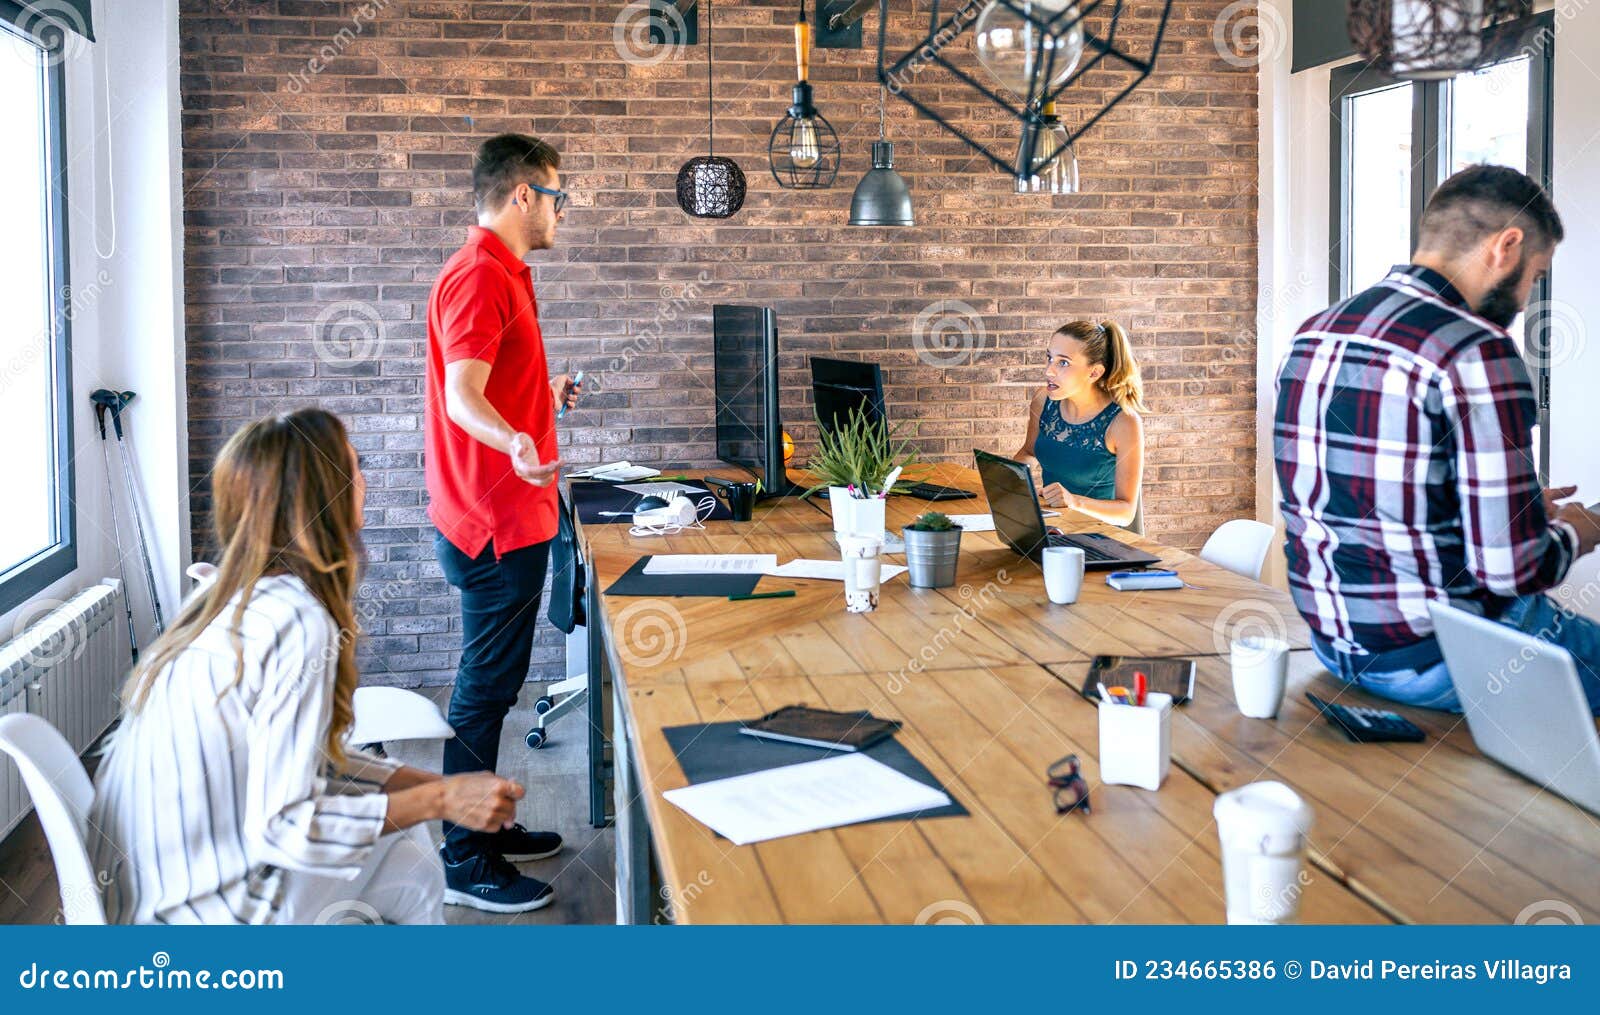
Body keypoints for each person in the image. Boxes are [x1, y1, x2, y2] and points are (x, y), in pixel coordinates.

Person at [88, 409, 526, 924]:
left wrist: (429, 786)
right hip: (198, 912)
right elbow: (283, 826)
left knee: (406, 849)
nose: (364, 480)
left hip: (142, 894)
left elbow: (307, 762)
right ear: (324, 497)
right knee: (408, 857)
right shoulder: (297, 621)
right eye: (355, 467)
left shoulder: (221, 595)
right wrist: (441, 798)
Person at [1275, 164, 1600, 713]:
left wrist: (1510, 513)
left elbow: (1355, 501)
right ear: (1506, 246)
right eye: (1536, 275)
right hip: (1445, 659)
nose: (1527, 299)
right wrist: (1579, 531)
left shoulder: (1316, 333)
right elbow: (1511, 571)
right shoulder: (1476, 349)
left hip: (1337, 648)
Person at [424, 133, 582, 912]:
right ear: (524, 194)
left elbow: (486, 386)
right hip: (493, 523)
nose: (561, 211)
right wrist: (516, 441)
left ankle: (485, 826)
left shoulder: (504, 273)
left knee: (497, 685)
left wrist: (539, 403)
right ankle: (465, 857)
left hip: (510, 516)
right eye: (557, 196)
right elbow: (461, 395)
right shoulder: (480, 274)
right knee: (483, 692)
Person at [1014, 320, 1146, 531]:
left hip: (1100, 537)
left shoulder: (1124, 422)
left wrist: (1074, 502)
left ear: (1094, 373)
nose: (1049, 371)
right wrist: (1012, 484)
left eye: (1063, 363)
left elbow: (1126, 512)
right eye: (1050, 358)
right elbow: (1029, 452)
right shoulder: (1043, 400)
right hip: (1052, 527)